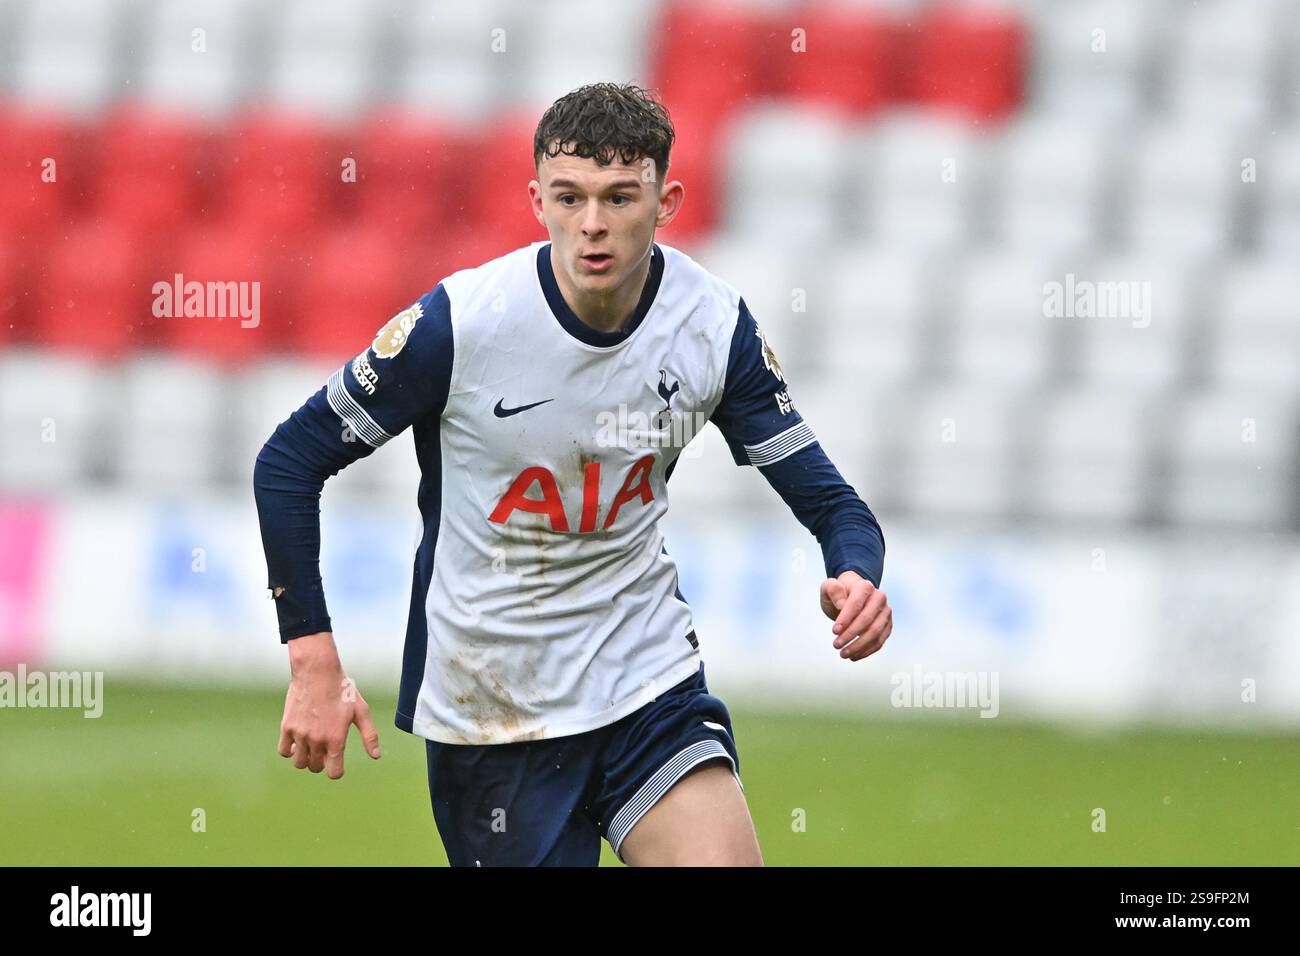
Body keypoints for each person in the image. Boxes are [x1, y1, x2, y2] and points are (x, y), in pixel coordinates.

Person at [253, 82, 890, 867]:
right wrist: (312, 660)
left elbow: (831, 501)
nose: (593, 225)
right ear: (536, 200)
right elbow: (289, 461)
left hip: (645, 680)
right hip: (494, 710)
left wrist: (856, 572)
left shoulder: (712, 326)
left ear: (667, 201)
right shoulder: (463, 325)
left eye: (621, 197)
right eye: (570, 197)